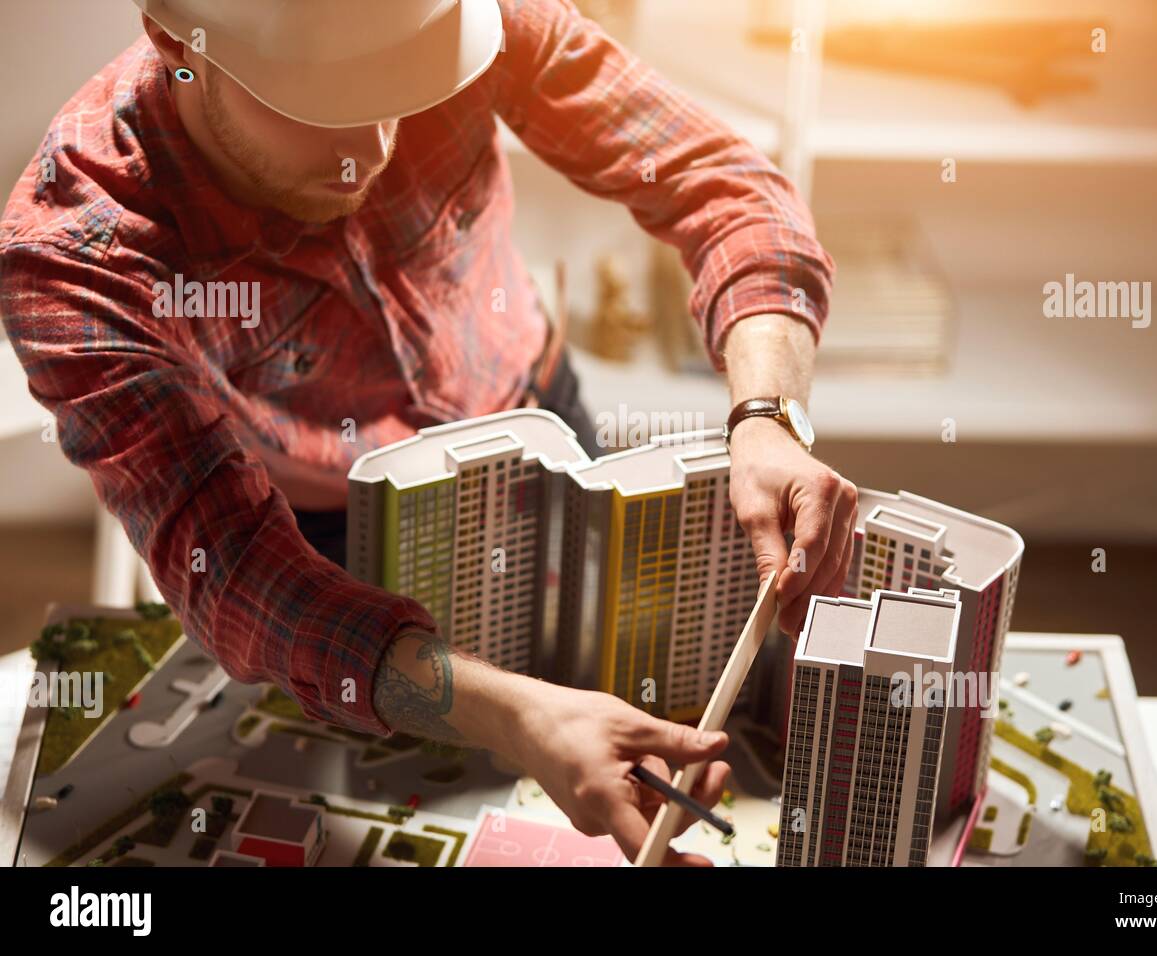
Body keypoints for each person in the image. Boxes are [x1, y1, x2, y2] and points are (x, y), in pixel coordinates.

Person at [0, 0, 858, 865]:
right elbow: (235, 570)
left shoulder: (480, 16)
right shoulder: (77, 250)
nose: (370, 148)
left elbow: (725, 186)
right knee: (407, 787)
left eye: (403, 89)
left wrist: (768, 417)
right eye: (325, 103)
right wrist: (517, 715)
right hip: (324, 536)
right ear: (179, 41)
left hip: (540, 422)